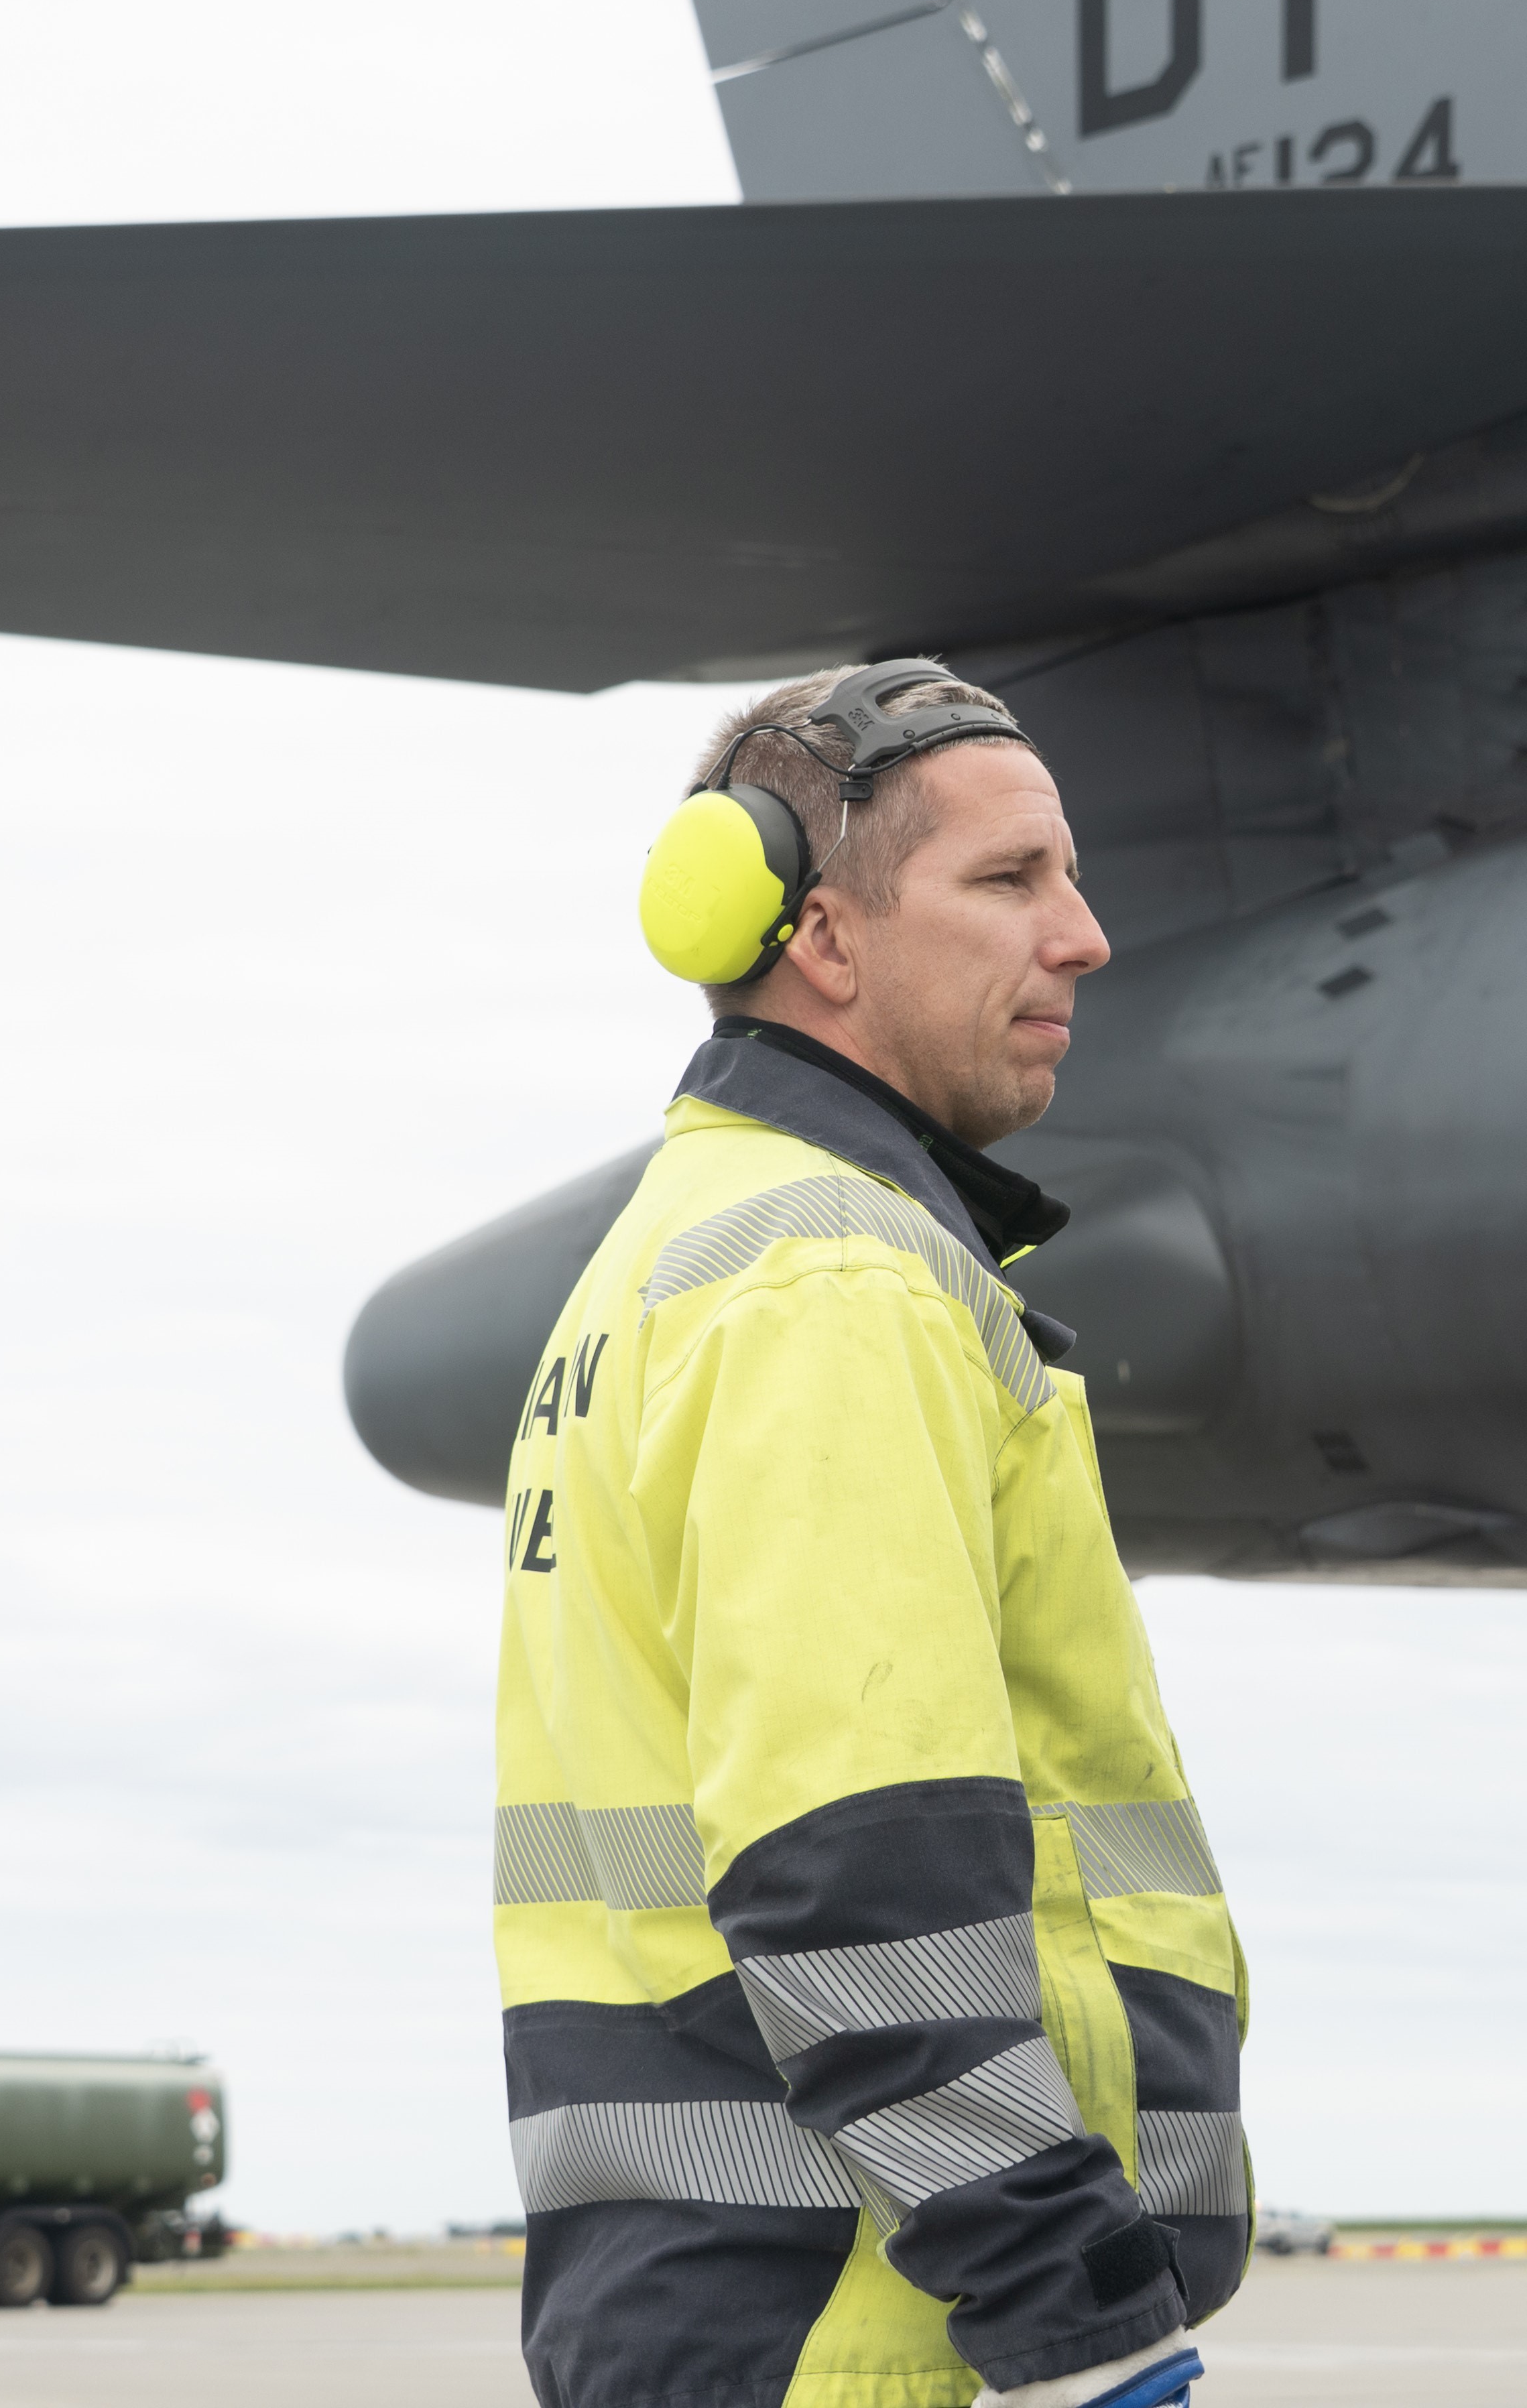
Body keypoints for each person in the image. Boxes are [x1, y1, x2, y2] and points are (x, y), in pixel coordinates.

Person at [491, 661, 1243, 2408]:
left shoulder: (684, 1253)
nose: (1087, 936)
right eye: (1011, 882)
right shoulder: (833, 1276)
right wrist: (1085, 2336)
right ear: (823, 938)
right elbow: (860, 1870)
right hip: (868, 2331)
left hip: (727, 2317)